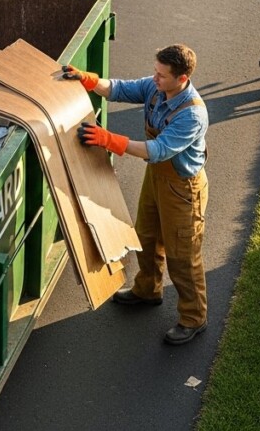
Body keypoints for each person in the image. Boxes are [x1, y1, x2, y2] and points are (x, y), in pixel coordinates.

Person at [64, 44, 210, 345]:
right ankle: (147, 289)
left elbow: (157, 150)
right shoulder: (157, 88)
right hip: (157, 178)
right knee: (145, 235)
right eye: (155, 72)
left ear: (181, 79)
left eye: (162, 75)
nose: (154, 79)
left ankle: (194, 318)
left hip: (183, 188)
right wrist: (89, 80)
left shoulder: (192, 114)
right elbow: (120, 89)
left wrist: (110, 140)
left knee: (183, 255)